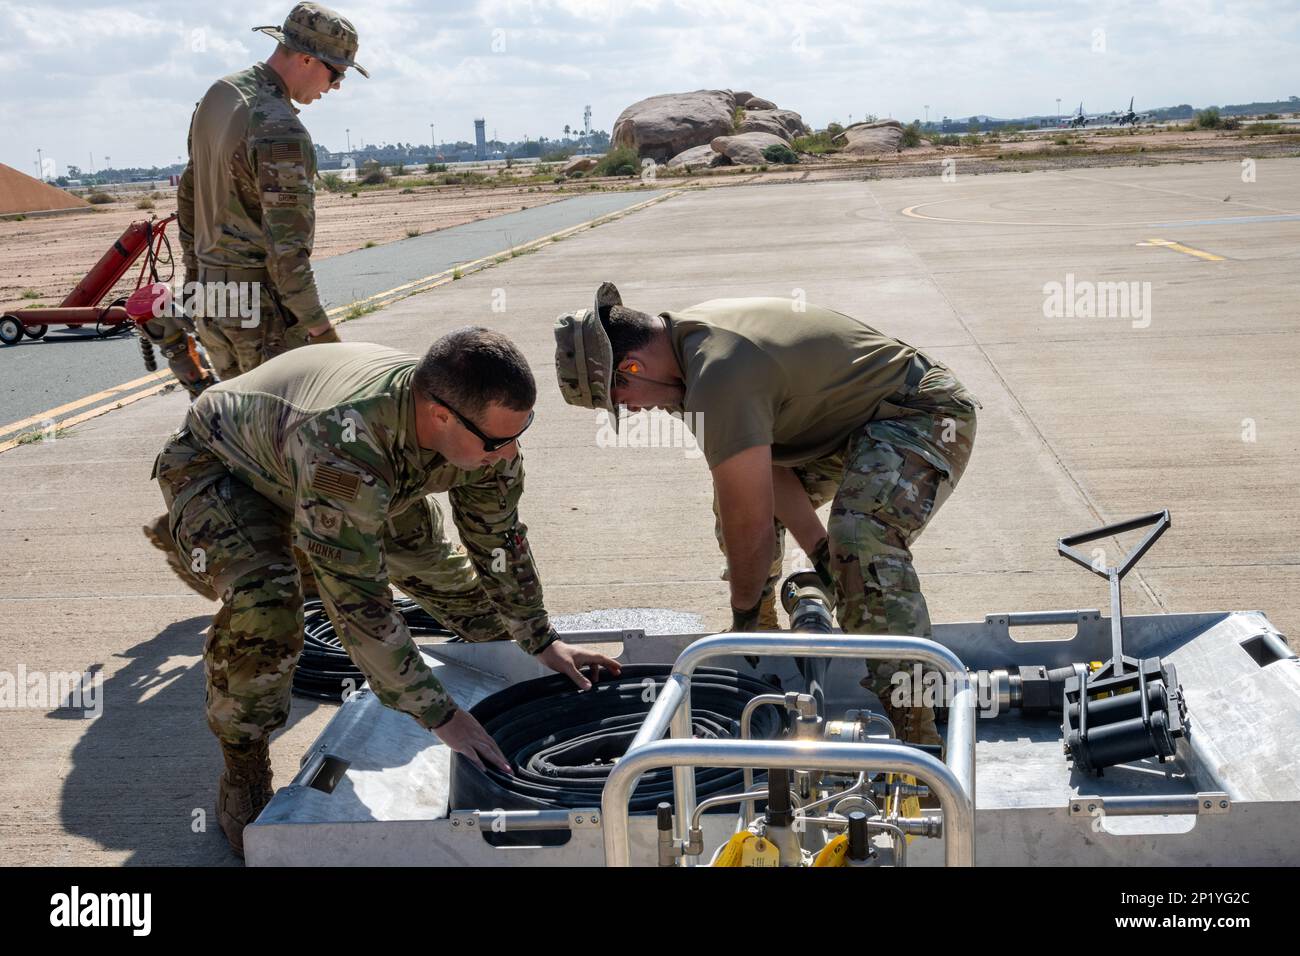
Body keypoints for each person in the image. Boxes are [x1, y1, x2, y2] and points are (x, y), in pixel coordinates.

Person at [154, 329, 620, 856]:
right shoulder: (343, 449)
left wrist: (539, 639)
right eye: (497, 442)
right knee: (269, 603)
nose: (509, 452)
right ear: (441, 415)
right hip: (228, 468)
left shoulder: (481, 435)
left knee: (477, 614)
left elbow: (498, 539)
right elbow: (357, 602)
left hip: (373, 477)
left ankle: (313, 539)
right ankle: (243, 761)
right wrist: (440, 715)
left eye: (521, 432)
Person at [553, 283, 978, 745]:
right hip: (850, 425)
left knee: (863, 539)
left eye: (623, 401)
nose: (635, 409)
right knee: (739, 498)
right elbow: (765, 474)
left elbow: (750, 525)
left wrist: (742, 614)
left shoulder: (718, 372)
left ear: (630, 367)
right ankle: (770, 652)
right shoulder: (685, 357)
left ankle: (918, 728)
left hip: (921, 411)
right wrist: (821, 554)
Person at [176, 2, 359, 380]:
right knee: (283, 430)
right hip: (259, 313)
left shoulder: (218, 96)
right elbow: (286, 255)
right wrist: (324, 334)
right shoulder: (278, 127)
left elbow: (189, 197)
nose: (337, 85)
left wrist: (195, 282)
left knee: (236, 425)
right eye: (336, 72)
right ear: (307, 60)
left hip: (211, 299)